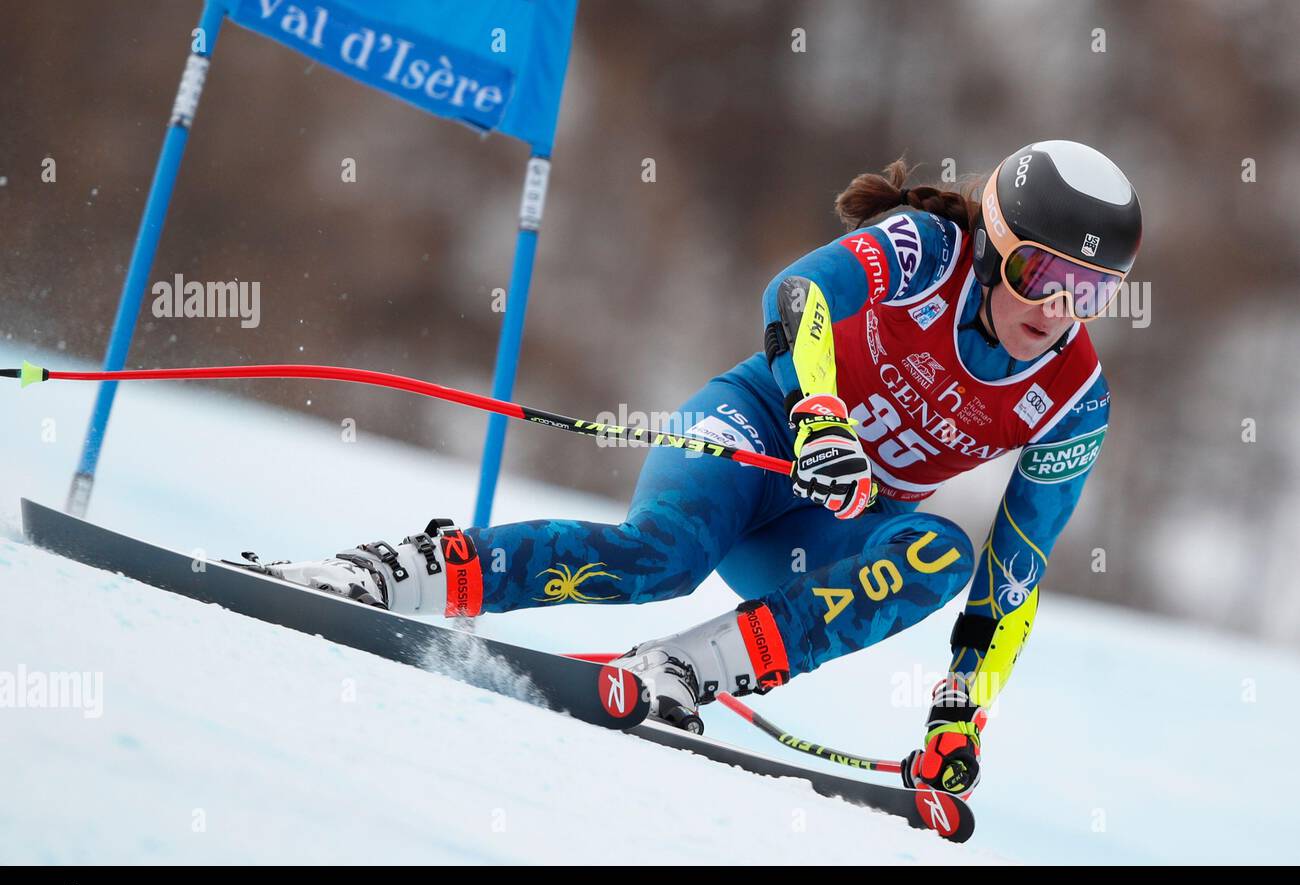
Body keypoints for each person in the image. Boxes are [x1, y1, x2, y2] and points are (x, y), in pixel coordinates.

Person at [258, 140, 1141, 798]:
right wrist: (821, 413)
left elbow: (1015, 573)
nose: (1058, 310)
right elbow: (796, 296)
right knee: (660, 559)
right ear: (991, 246)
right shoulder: (924, 251)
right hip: (758, 432)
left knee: (941, 555)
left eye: (1089, 292)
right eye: (1040, 273)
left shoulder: (1076, 398)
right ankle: (390, 573)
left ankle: (684, 671)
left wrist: (959, 713)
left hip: (829, 520)